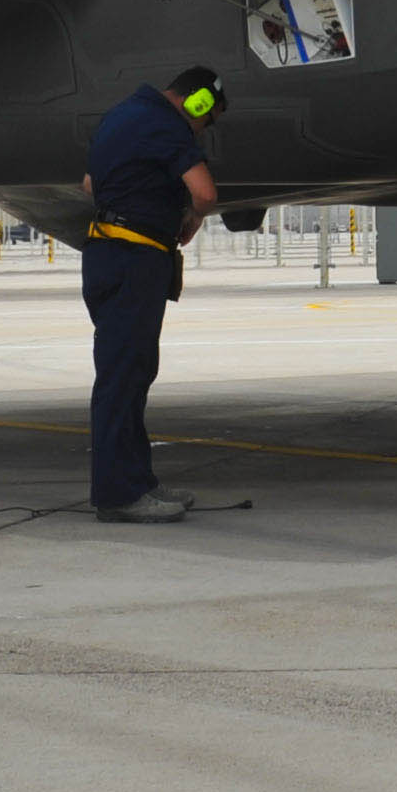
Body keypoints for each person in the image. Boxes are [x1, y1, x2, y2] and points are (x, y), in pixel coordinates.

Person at [80, 66, 227, 525]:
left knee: (130, 371)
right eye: (208, 118)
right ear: (199, 102)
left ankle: (138, 481)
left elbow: (89, 184)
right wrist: (191, 219)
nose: (203, 129)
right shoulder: (166, 123)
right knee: (124, 377)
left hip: (108, 254)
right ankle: (119, 494)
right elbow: (204, 193)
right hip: (135, 259)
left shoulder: (122, 114)